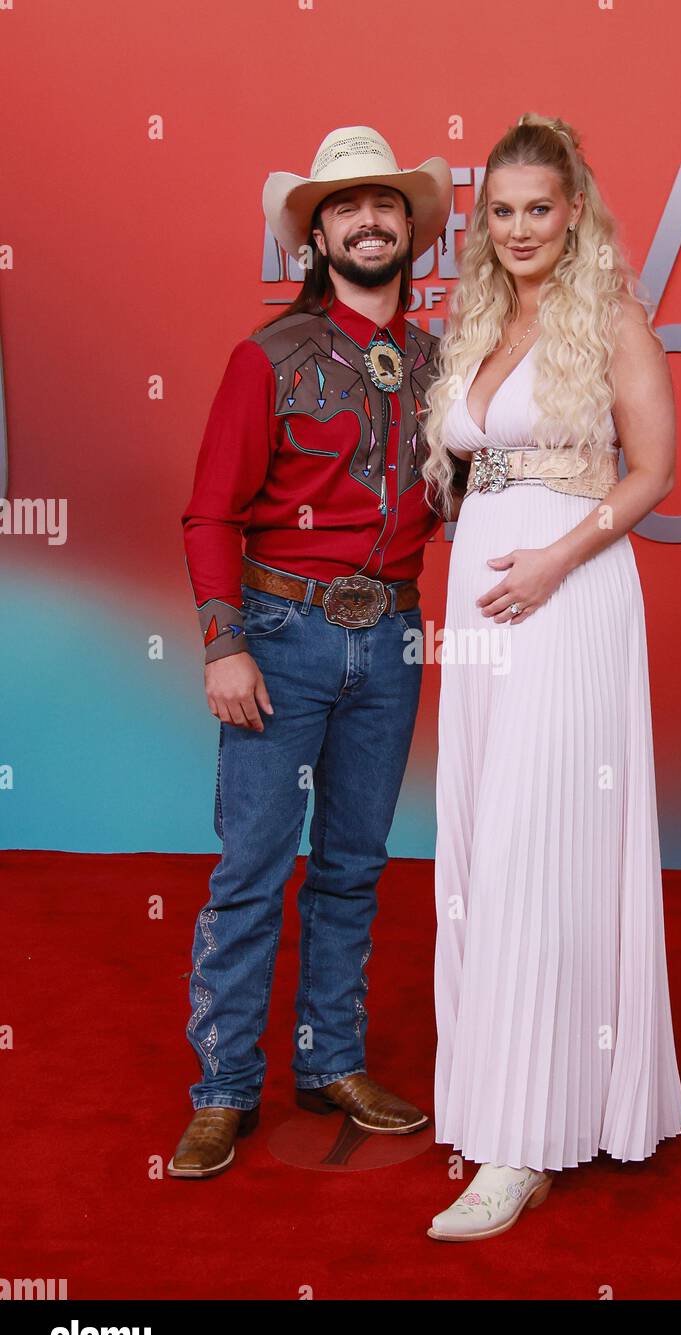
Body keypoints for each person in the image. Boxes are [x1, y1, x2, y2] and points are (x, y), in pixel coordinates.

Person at [420, 113, 681, 1239]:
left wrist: (556, 559)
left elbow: (660, 471)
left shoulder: (610, 315)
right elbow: (460, 471)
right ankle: (492, 1098)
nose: (521, 228)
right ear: (483, 222)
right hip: (480, 600)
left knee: (541, 841)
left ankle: (527, 1141)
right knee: (481, 836)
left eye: (540, 207)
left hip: (568, 596)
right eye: (501, 211)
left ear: (574, 209)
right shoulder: (476, 319)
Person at [169, 126, 453, 1178]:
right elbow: (209, 514)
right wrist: (223, 644)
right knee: (249, 867)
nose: (368, 220)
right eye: (345, 207)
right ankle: (222, 1088)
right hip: (279, 637)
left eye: (384, 205)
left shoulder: (439, 363)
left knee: (352, 867)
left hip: (390, 638)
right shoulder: (267, 358)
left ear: (408, 229)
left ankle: (329, 1059)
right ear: (319, 234)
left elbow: (457, 498)